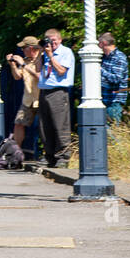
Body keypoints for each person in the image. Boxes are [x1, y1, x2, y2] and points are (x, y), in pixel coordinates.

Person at [0, 36, 41, 165]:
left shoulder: (41, 60)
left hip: (40, 98)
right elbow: (17, 76)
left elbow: (39, 76)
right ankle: (15, 153)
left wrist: (24, 65)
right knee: (18, 123)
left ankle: (42, 153)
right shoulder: (25, 60)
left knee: (42, 127)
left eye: (24, 48)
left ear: (31, 48)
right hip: (27, 99)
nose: (22, 50)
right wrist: (13, 64)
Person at [36, 28, 75, 168]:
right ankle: (49, 156)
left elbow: (61, 71)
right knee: (44, 126)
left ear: (60, 40)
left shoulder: (65, 52)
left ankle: (63, 157)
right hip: (44, 91)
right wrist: (41, 53)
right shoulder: (44, 53)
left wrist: (51, 56)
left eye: (54, 41)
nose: (51, 43)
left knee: (60, 125)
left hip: (58, 91)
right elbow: (37, 69)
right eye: (48, 40)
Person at [98, 32, 130, 123]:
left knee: (112, 133)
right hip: (104, 100)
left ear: (103, 43)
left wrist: (100, 70)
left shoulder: (119, 57)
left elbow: (116, 79)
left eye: (98, 44)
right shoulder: (104, 57)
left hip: (114, 102)